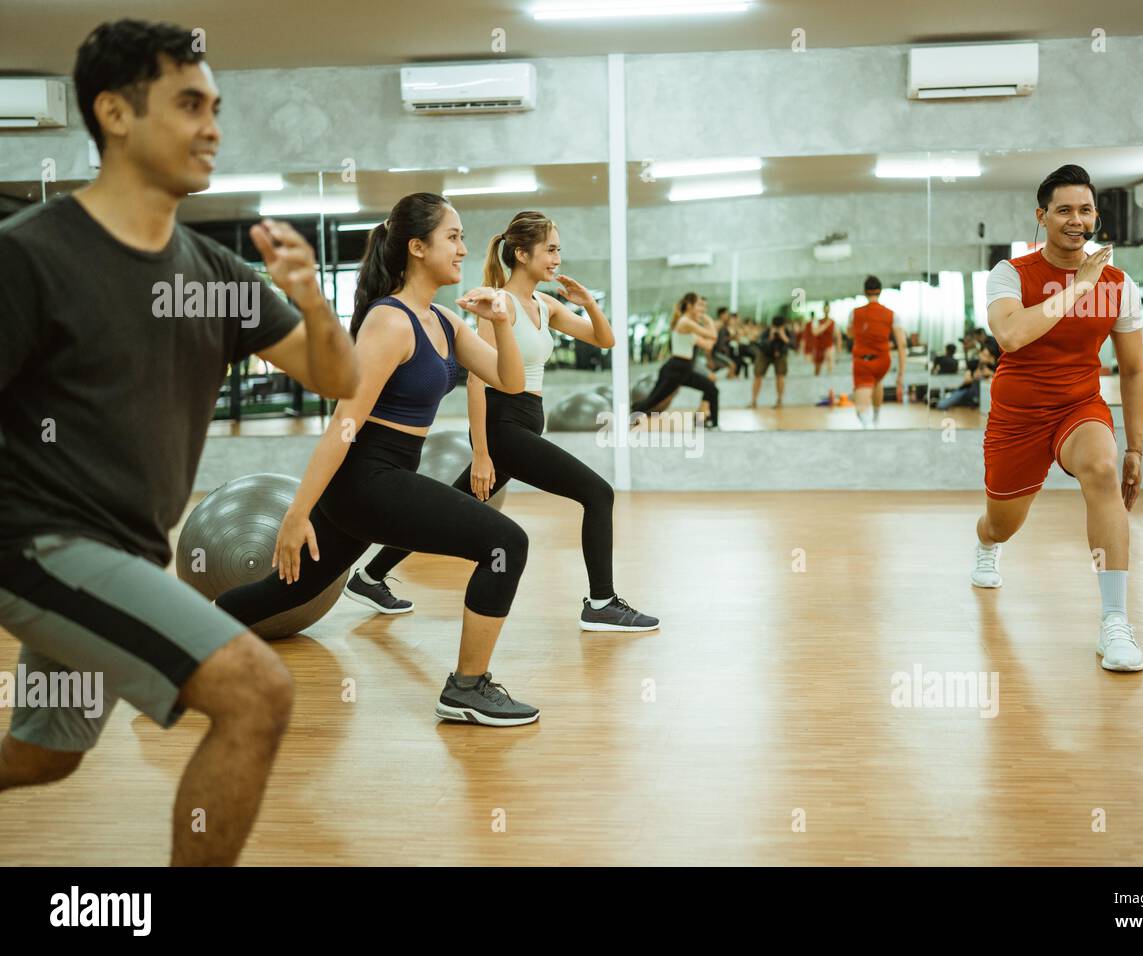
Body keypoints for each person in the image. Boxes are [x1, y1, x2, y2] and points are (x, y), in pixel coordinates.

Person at [0, 18, 361, 866]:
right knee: (254, 692)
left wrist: (311, 300)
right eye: (190, 104)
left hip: (127, 549)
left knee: (47, 755)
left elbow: (335, 376)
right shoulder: (31, 260)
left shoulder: (213, 276)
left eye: (216, 106)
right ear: (115, 115)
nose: (213, 127)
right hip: (38, 544)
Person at [216, 192, 542, 726]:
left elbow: (511, 381)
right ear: (417, 247)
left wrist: (502, 322)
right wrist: (297, 514)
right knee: (506, 542)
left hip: (381, 479)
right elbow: (344, 425)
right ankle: (466, 687)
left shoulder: (442, 321)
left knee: (286, 590)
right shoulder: (389, 322)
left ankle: (180, 647)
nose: (463, 248)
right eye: (453, 237)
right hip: (367, 478)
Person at [354, 211, 658, 632]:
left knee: (449, 509)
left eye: (558, 250)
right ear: (521, 253)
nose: (556, 258)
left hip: (528, 422)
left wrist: (587, 304)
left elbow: (603, 340)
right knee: (597, 493)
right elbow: (477, 382)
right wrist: (482, 452)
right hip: (504, 425)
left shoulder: (545, 305)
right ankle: (601, 602)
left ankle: (368, 577)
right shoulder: (497, 304)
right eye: (550, 249)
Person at [973, 164, 1143, 673]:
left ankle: (1114, 621)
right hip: (1018, 414)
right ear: (1042, 216)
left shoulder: (1118, 284)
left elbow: (1134, 371)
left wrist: (1134, 448)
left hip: (1079, 406)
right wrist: (1078, 285)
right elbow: (1011, 336)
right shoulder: (1010, 274)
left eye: (1086, 209)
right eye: (1065, 209)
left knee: (1102, 468)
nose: (1078, 220)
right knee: (1004, 523)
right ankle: (986, 542)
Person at [631, 292, 720, 428]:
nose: (702, 309)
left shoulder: (689, 326)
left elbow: (708, 344)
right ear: (690, 306)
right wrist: (709, 321)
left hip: (685, 368)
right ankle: (630, 415)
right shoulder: (685, 322)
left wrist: (708, 326)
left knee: (712, 389)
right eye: (699, 305)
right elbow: (712, 335)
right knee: (654, 400)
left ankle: (713, 424)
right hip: (676, 368)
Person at [850, 276, 908, 426]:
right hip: (883, 362)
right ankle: (876, 415)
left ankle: (868, 423)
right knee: (877, 380)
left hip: (863, 362)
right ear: (880, 292)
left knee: (861, 410)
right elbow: (902, 345)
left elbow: (850, 334)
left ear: (864, 292)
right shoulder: (892, 314)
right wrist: (901, 374)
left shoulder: (854, 313)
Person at [937, 342, 1000, 410]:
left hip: (984, 395)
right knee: (942, 405)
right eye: (984, 354)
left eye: (988, 356)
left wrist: (990, 373)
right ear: (980, 353)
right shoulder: (973, 363)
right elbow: (966, 380)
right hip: (966, 390)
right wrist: (975, 377)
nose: (985, 357)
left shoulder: (994, 367)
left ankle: (972, 401)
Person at [751, 315, 793, 408]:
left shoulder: (787, 332)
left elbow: (793, 345)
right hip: (765, 354)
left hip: (781, 354)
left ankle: (779, 400)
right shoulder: (767, 332)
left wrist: (784, 337)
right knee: (758, 375)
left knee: (780, 376)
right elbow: (760, 344)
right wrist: (770, 337)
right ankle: (753, 401)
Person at [809, 303, 840, 376]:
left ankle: (829, 378)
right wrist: (826, 325)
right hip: (819, 347)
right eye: (825, 309)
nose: (826, 311)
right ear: (823, 310)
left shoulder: (833, 322)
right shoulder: (817, 321)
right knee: (817, 368)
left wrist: (839, 350)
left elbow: (838, 336)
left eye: (828, 309)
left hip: (829, 346)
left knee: (830, 363)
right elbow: (815, 332)